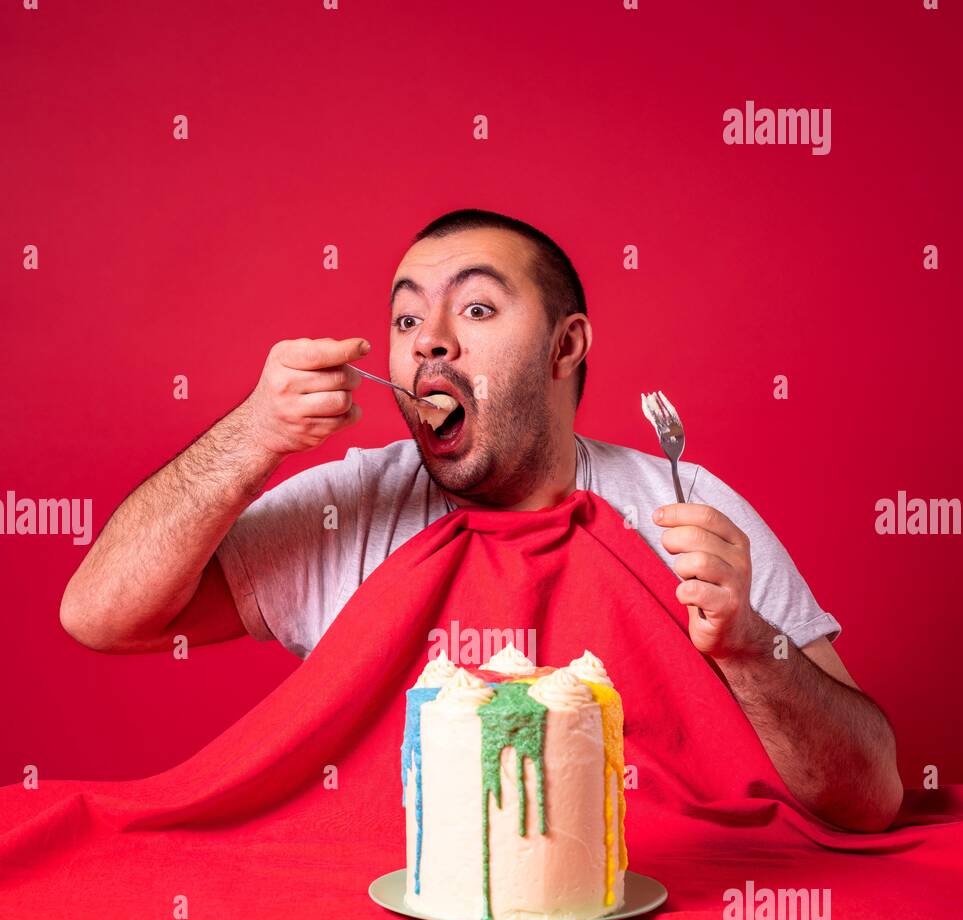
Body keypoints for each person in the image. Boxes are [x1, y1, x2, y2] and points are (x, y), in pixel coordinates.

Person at [60, 208, 903, 831]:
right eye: (404, 318)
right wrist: (249, 436)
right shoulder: (346, 508)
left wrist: (753, 645)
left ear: (565, 348)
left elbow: (870, 796)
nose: (428, 342)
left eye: (475, 310)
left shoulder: (687, 507)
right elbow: (100, 617)